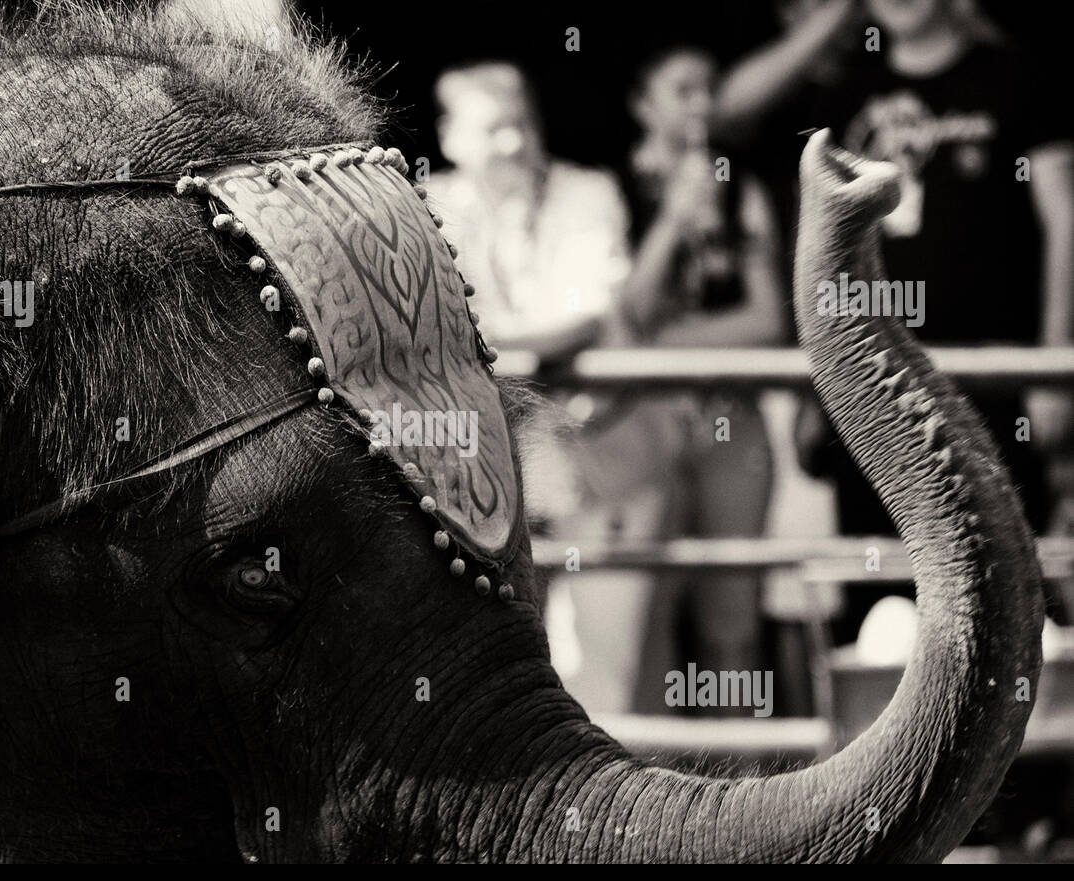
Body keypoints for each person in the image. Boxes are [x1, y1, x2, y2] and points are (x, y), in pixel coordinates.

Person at [722, 0, 1074, 643]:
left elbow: (1065, 219)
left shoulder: (1014, 74)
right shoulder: (845, 85)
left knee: (1002, 593)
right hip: (871, 381)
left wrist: (1054, 363)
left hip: (991, 381)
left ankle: (1009, 741)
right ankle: (895, 742)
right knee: (882, 608)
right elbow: (732, 114)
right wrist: (817, 380)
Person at [578, 47, 786, 715]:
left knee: (733, 619)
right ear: (643, 104)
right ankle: (653, 800)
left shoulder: (742, 186)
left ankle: (749, 795)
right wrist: (673, 218)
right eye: (683, 88)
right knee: (646, 613)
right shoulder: (606, 187)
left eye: (710, 88)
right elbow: (621, 312)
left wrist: (663, 343)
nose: (701, 102)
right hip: (636, 429)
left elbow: (769, 320)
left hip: (733, 420)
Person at [428, 62, 639, 710]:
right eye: (495, 129)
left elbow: (587, 315)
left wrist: (490, 341)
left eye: (522, 123)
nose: (516, 143)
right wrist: (518, 342)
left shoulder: (587, 190)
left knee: (608, 668)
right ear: (451, 136)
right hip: (478, 466)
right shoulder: (425, 204)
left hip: (597, 451)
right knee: (495, 653)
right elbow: (430, 326)